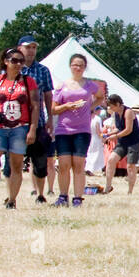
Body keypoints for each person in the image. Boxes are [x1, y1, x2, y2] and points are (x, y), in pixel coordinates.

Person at [0, 47, 40, 208]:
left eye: (21, 61)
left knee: (16, 165)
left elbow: (35, 106)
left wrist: (32, 129)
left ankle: (12, 200)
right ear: (5, 61)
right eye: (14, 61)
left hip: (20, 128)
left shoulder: (28, 81)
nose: (18, 64)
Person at [50, 53, 103, 207]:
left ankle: (78, 198)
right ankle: (63, 196)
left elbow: (100, 97)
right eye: (75, 65)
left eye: (81, 65)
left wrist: (90, 108)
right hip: (63, 129)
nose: (78, 67)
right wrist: (67, 106)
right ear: (70, 66)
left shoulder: (90, 85)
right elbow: (53, 109)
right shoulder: (62, 85)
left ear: (85, 67)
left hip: (82, 129)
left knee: (79, 164)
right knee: (64, 164)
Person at [14, 36, 55, 204]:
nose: (31, 50)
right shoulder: (13, 69)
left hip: (38, 122)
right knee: (13, 160)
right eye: (27, 47)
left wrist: (51, 117)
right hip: (15, 122)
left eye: (33, 47)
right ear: (19, 49)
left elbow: (48, 94)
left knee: (40, 160)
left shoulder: (43, 70)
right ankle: (11, 196)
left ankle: (40, 194)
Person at [102, 95, 139, 195]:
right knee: (111, 160)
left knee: (130, 166)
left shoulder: (128, 112)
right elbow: (117, 128)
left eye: (111, 106)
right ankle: (108, 187)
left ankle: (130, 191)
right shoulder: (116, 114)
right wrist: (109, 134)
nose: (110, 108)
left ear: (118, 104)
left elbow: (128, 129)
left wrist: (115, 136)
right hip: (123, 141)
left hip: (134, 141)